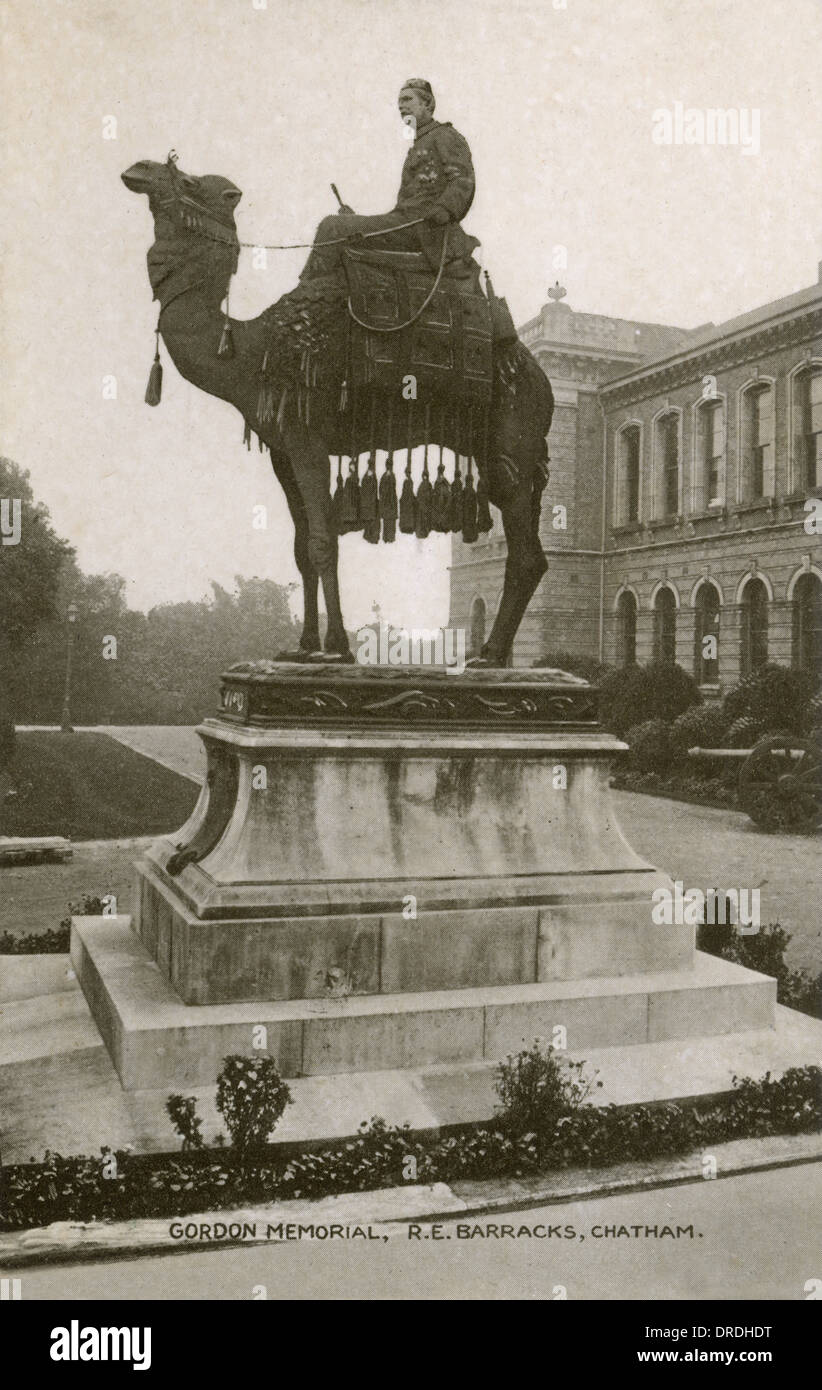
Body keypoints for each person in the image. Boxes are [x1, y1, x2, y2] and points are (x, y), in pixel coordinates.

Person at [300, 79, 478, 280]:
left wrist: (445, 208)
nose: (401, 106)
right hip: (407, 224)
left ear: (427, 103)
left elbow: (462, 179)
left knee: (332, 226)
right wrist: (352, 219)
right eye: (399, 102)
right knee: (341, 225)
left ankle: (307, 290)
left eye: (407, 99)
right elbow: (405, 209)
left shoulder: (445, 135)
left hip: (425, 230)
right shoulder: (420, 144)